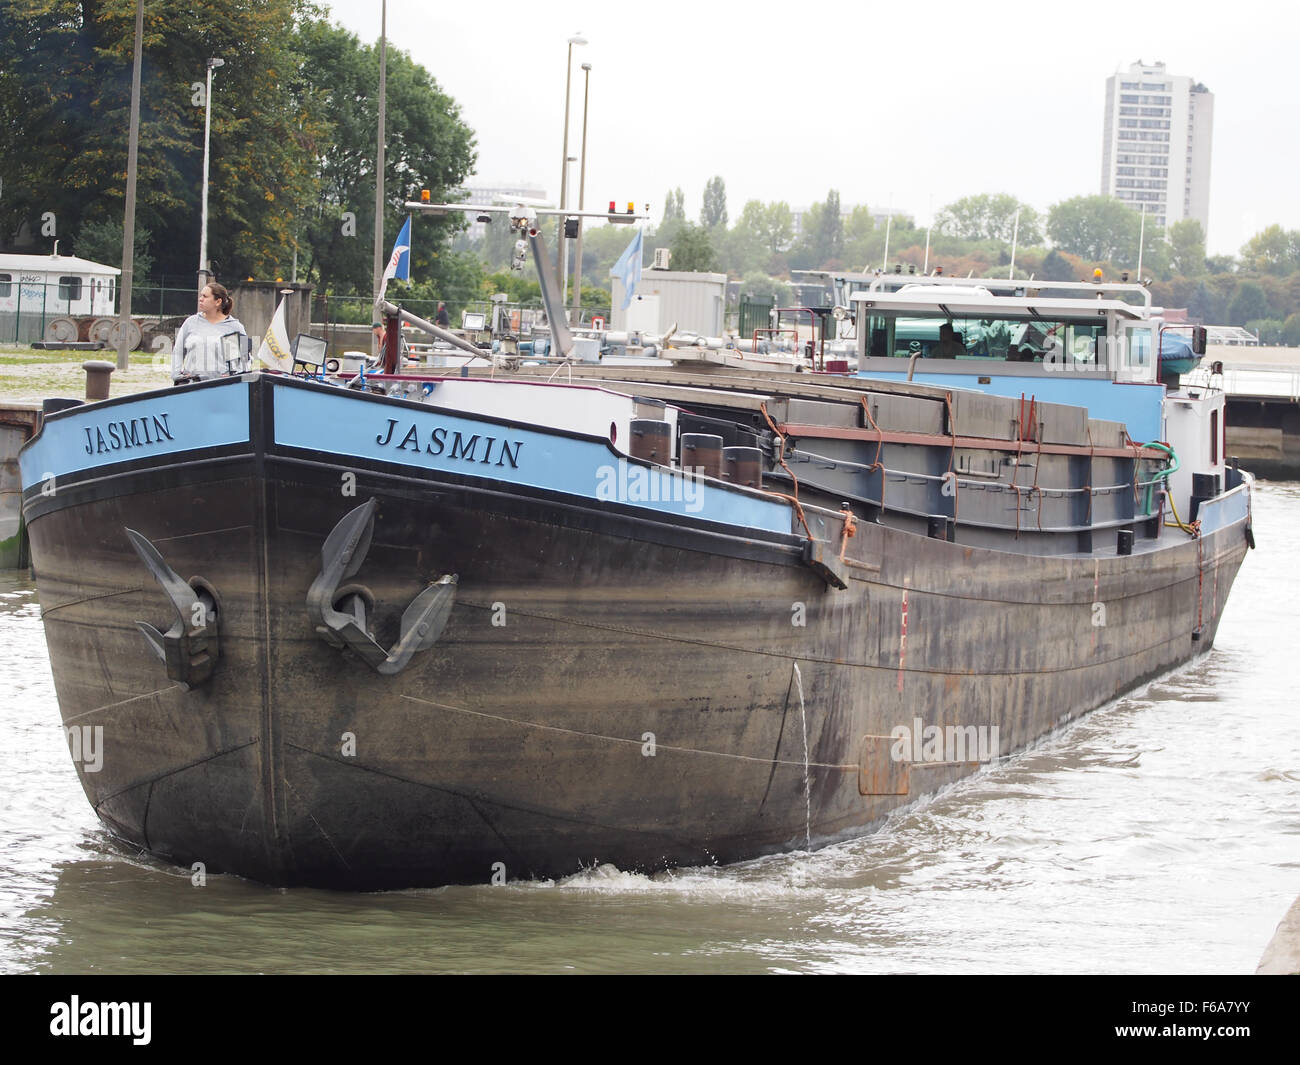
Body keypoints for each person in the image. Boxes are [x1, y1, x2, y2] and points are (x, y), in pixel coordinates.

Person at [172, 282, 247, 383]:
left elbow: (243, 361)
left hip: (221, 388)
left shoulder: (234, 327)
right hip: (191, 386)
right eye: (201, 295)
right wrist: (177, 376)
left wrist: (233, 378)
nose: (200, 299)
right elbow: (178, 352)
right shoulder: (191, 322)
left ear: (218, 301)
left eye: (205, 296)